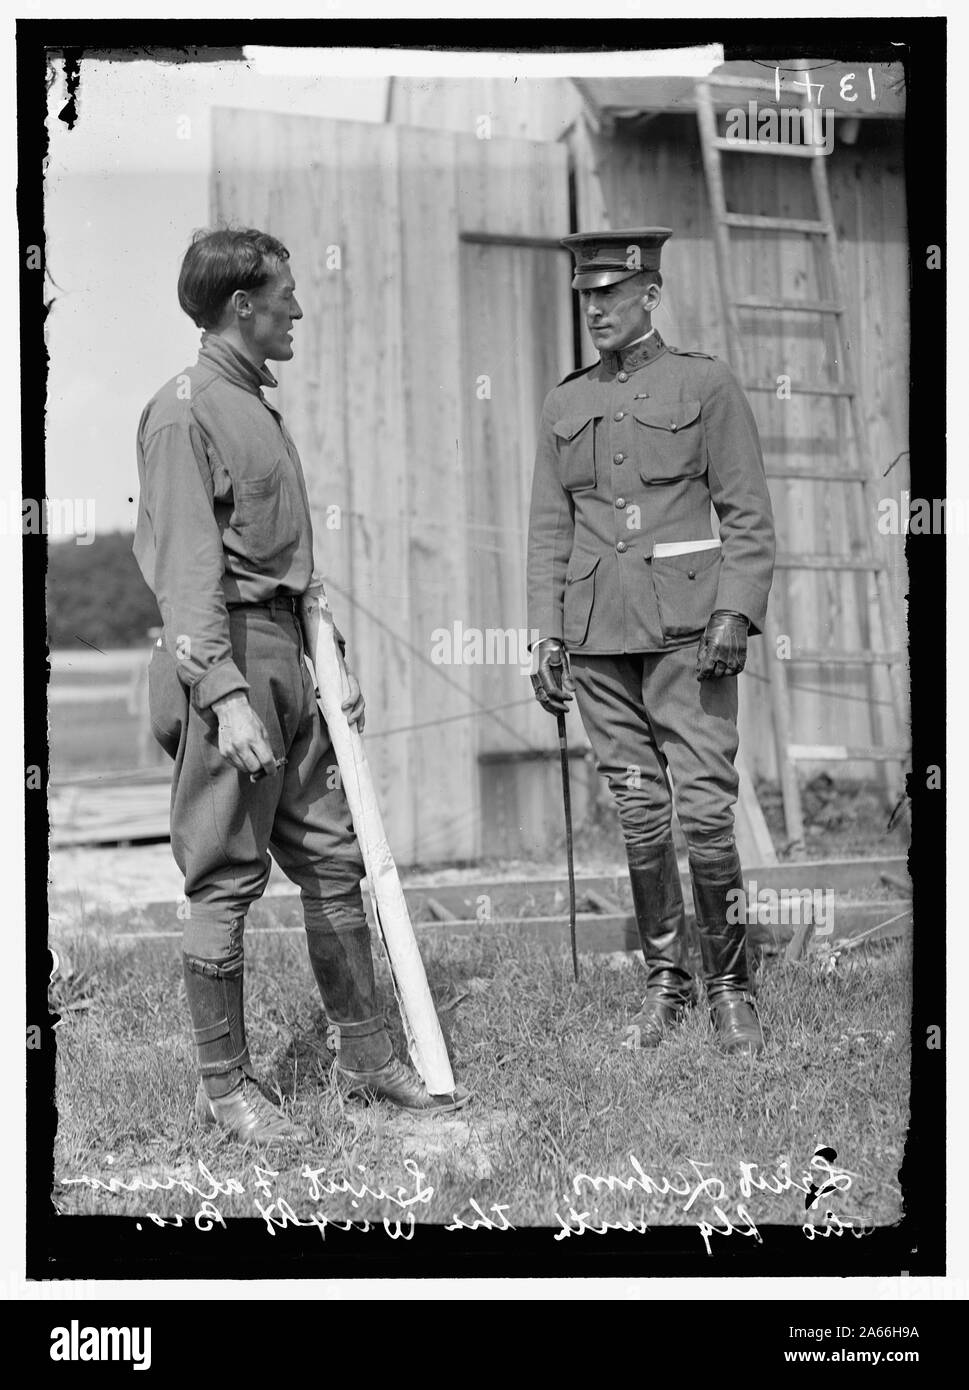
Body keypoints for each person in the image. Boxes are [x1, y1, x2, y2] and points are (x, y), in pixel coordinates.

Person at [133, 227, 467, 1143]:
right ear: (242, 305)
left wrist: (332, 656)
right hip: (228, 665)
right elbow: (187, 571)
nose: (299, 311)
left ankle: (365, 1056)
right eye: (286, 295)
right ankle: (225, 1088)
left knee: (332, 858)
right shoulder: (185, 410)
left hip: (287, 657)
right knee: (225, 875)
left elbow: (288, 561)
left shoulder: (254, 407)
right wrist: (226, 694)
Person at [527, 227, 775, 1055]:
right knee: (638, 806)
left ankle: (730, 986)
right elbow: (547, 530)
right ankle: (666, 982)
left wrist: (734, 612)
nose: (594, 309)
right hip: (598, 638)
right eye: (585, 297)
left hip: (688, 636)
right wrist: (547, 634)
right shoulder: (564, 402)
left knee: (704, 808)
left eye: (609, 295)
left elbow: (745, 516)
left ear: (648, 296)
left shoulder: (704, 385)